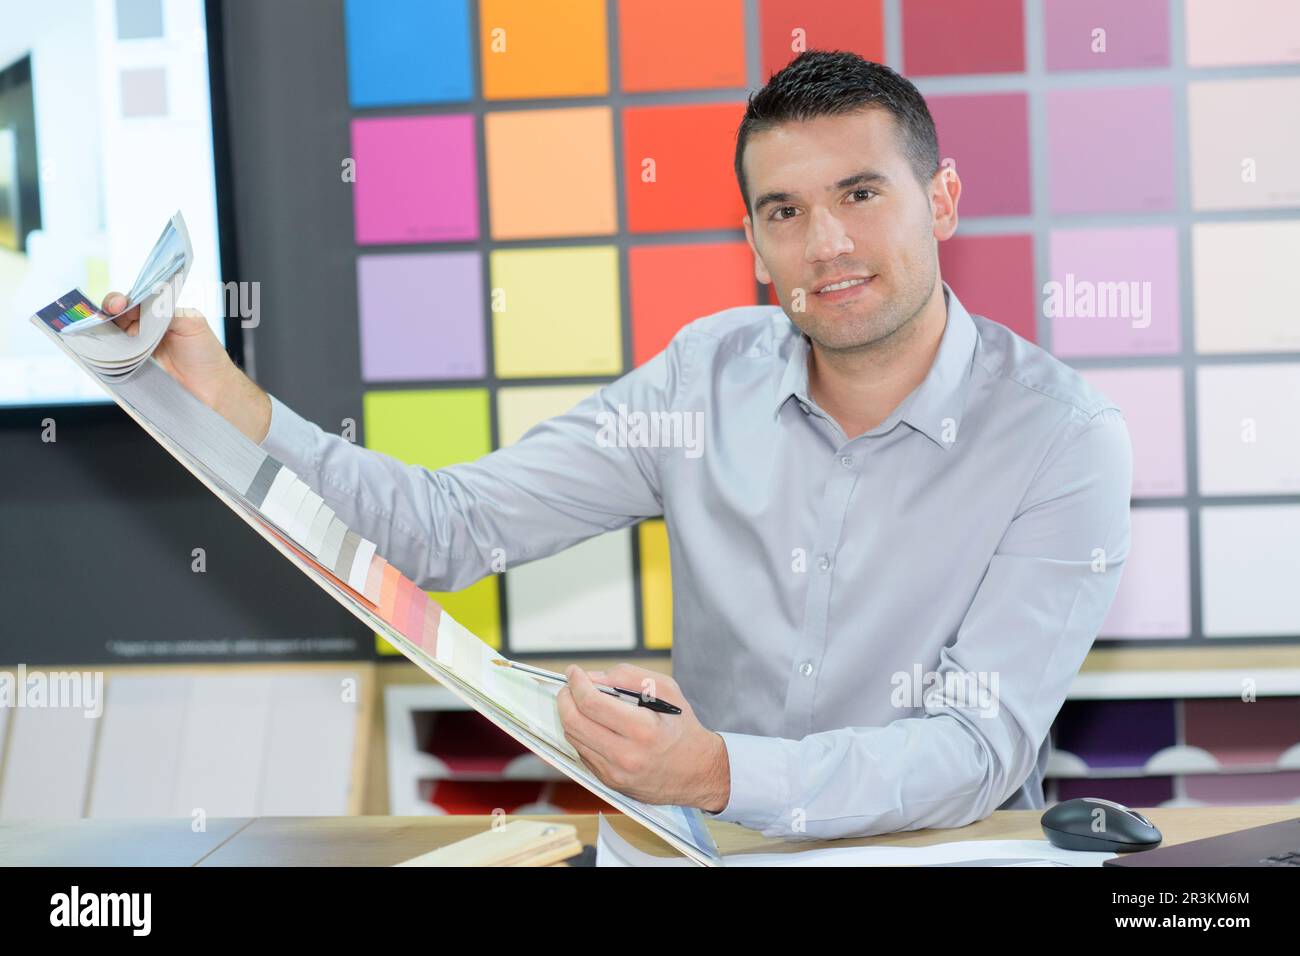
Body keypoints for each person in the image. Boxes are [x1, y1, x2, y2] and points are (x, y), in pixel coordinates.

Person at [102, 51, 1132, 839]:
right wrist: (221, 393)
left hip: (939, 860)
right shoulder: (703, 375)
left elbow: (974, 746)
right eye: (784, 210)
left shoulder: (1062, 436)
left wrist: (714, 769)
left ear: (939, 200)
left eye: (861, 194)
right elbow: (445, 527)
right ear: (753, 241)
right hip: (715, 855)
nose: (825, 245)